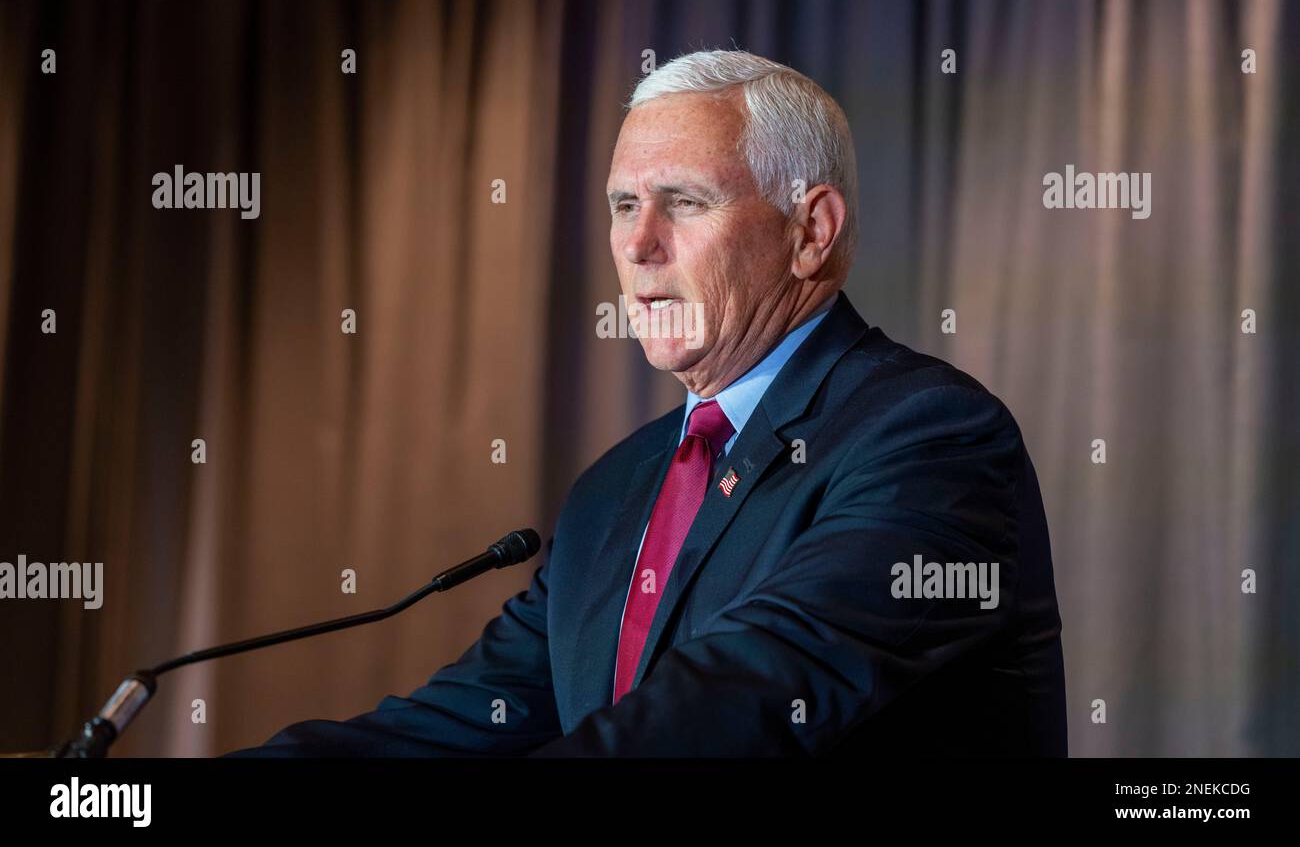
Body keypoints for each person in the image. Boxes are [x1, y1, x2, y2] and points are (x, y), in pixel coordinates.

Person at [225, 50, 1067, 757]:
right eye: (624, 205)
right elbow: (460, 724)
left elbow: (747, 697)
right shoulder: (615, 491)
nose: (637, 243)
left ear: (811, 232)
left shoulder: (928, 439)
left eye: (685, 202)